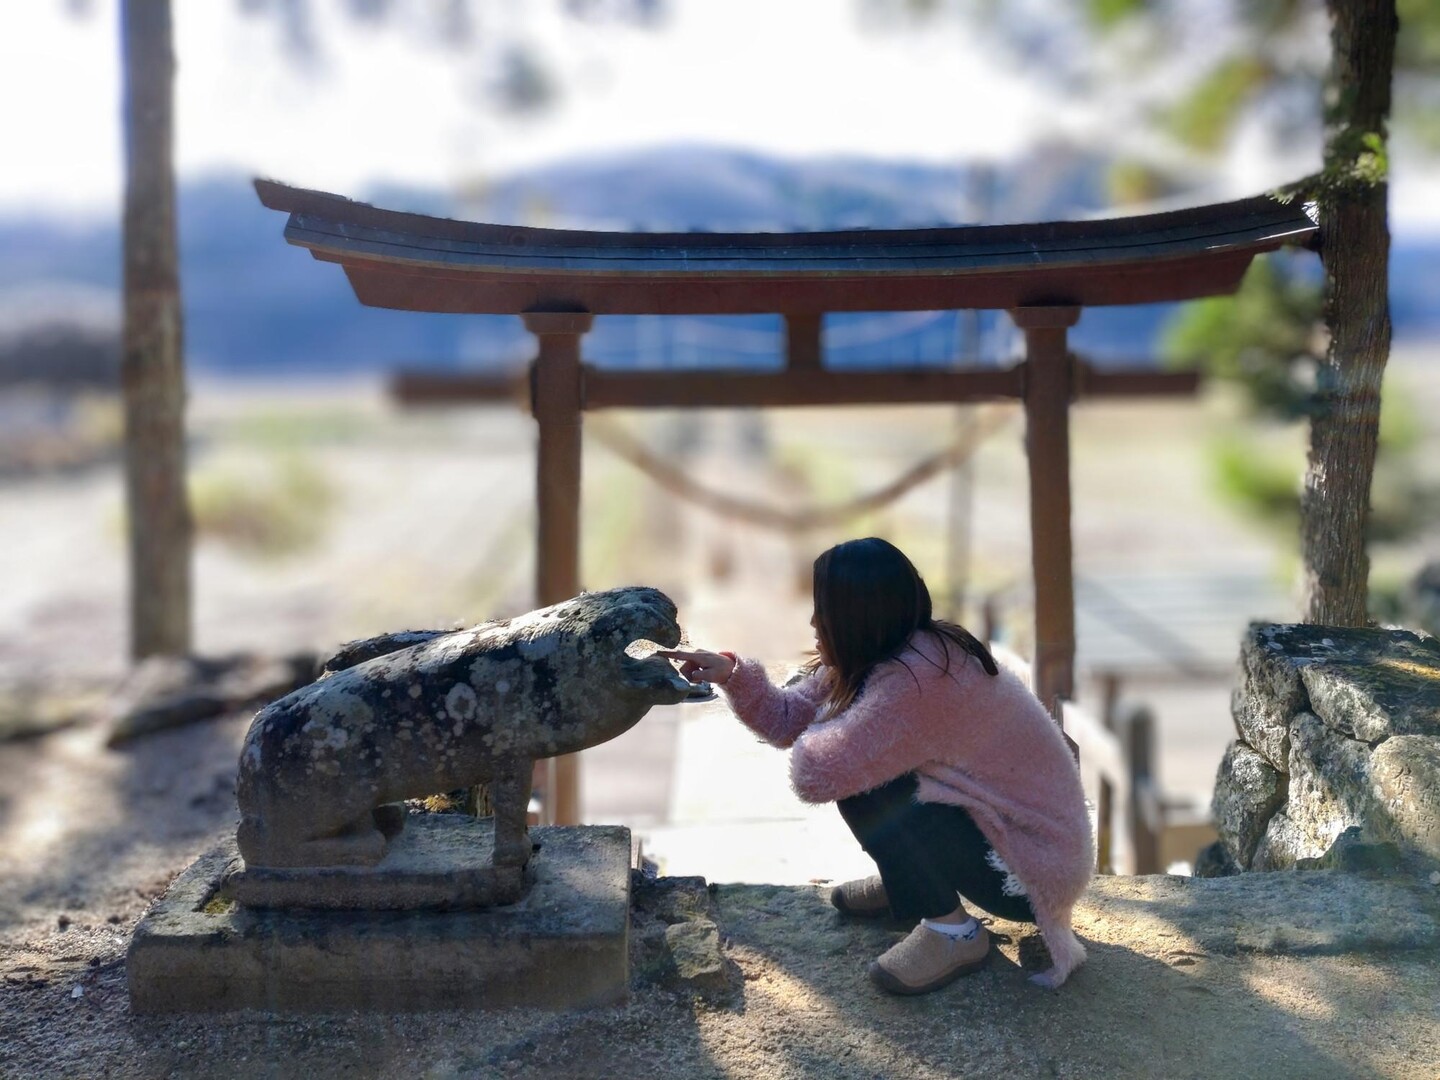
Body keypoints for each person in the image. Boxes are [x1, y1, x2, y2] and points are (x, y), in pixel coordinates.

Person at [660, 537, 1094, 995]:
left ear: (857, 615)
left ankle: (954, 933)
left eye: (822, 610)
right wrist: (730, 673)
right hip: (1006, 832)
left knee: (865, 783)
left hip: (1031, 872)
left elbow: (816, 773)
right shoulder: (893, 648)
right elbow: (787, 720)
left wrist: (841, 725)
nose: (812, 622)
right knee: (865, 761)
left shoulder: (919, 679)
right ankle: (909, 880)